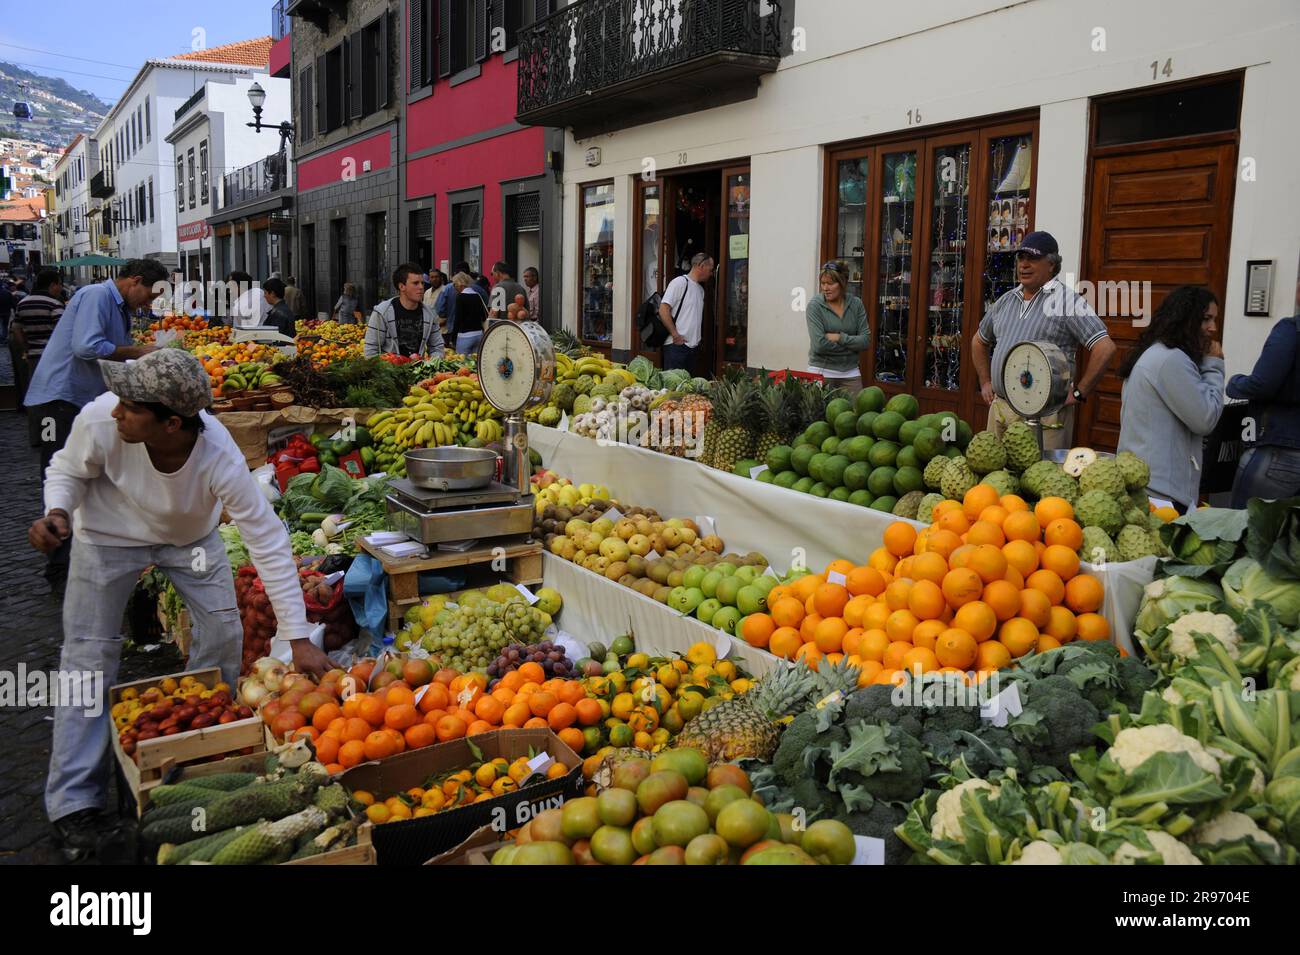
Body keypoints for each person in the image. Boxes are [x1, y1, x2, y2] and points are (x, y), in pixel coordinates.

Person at [29, 349, 329, 860]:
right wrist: (56, 509)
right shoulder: (102, 417)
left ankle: (194, 749)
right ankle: (74, 805)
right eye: (120, 402)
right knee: (87, 657)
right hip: (106, 536)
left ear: (171, 423)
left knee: (223, 635)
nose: (117, 410)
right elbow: (66, 469)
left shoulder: (219, 457)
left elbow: (268, 539)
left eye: (131, 406)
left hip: (190, 541)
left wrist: (298, 637)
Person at [972, 231, 1117, 449]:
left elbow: (1105, 347)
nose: (1024, 264)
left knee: (1040, 480)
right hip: (1001, 409)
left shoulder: (1068, 302)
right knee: (996, 480)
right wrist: (985, 381)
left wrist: (1079, 392)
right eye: (1021, 258)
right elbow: (979, 341)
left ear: (1051, 264)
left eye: (1033, 258)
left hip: (1045, 416)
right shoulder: (1005, 301)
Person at [1117, 285, 1224, 513]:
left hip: (1150, 486)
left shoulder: (1158, 353)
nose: (1213, 327)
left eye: (1214, 319)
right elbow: (1206, 419)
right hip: (1162, 493)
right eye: (1206, 319)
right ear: (1185, 319)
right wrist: (1214, 364)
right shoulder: (1171, 360)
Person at [1227, 313, 1300, 506]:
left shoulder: (1290, 329)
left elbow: (1262, 385)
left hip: (1279, 450)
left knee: (1244, 529)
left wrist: (1235, 383)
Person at [805, 261, 870, 397]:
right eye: (823, 283)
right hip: (820, 371)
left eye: (830, 283)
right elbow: (819, 346)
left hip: (850, 372)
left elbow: (865, 341)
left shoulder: (856, 304)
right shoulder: (815, 306)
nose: (825, 288)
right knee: (819, 415)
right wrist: (852, 347)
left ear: (842, 283)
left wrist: (839, 338)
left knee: (855, 413)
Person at [364, 263, 445, 358]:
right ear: (402, 286)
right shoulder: (382, 312)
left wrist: (431, 364)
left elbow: (437, 348)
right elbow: (371, 351)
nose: (421, 287)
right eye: (415, 283)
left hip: (418, 370)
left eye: (422, 283)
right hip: (389, 370)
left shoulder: (429, 314)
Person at [9, 268, 64, 404]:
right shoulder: (55, 305)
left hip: (33, 355)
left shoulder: (23, 303)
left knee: (35, 389)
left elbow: (16, 330)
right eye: (60, 284)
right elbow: (63, 332)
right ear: (52, 285)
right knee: (52, 393)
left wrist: (27, 349)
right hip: (52, 357)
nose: (61, 288)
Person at [659, 252, 714, 374]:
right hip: (676, 346)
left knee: (687, 390)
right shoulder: (679, 282)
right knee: (674, 388)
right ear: (701, 266)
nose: (711, 274)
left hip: (693, 348)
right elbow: (663, 309)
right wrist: (675, 334)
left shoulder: (700, 290)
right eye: (710, 270)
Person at [450, 271, 488, 356]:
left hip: (465, 336)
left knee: (462, 364)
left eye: (454, 284)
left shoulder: (460, 297)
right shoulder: (477, 295)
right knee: (475, 363)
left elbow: (458, 319)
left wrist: (453, 338)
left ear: (460, 284)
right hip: (479, 335)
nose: (454, 287)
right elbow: (483, 316)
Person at [0, 278, 13, 343]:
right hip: (6, 311)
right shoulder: (7, 292)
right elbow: (12, 302)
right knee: (5, 325)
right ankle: (3, 338)